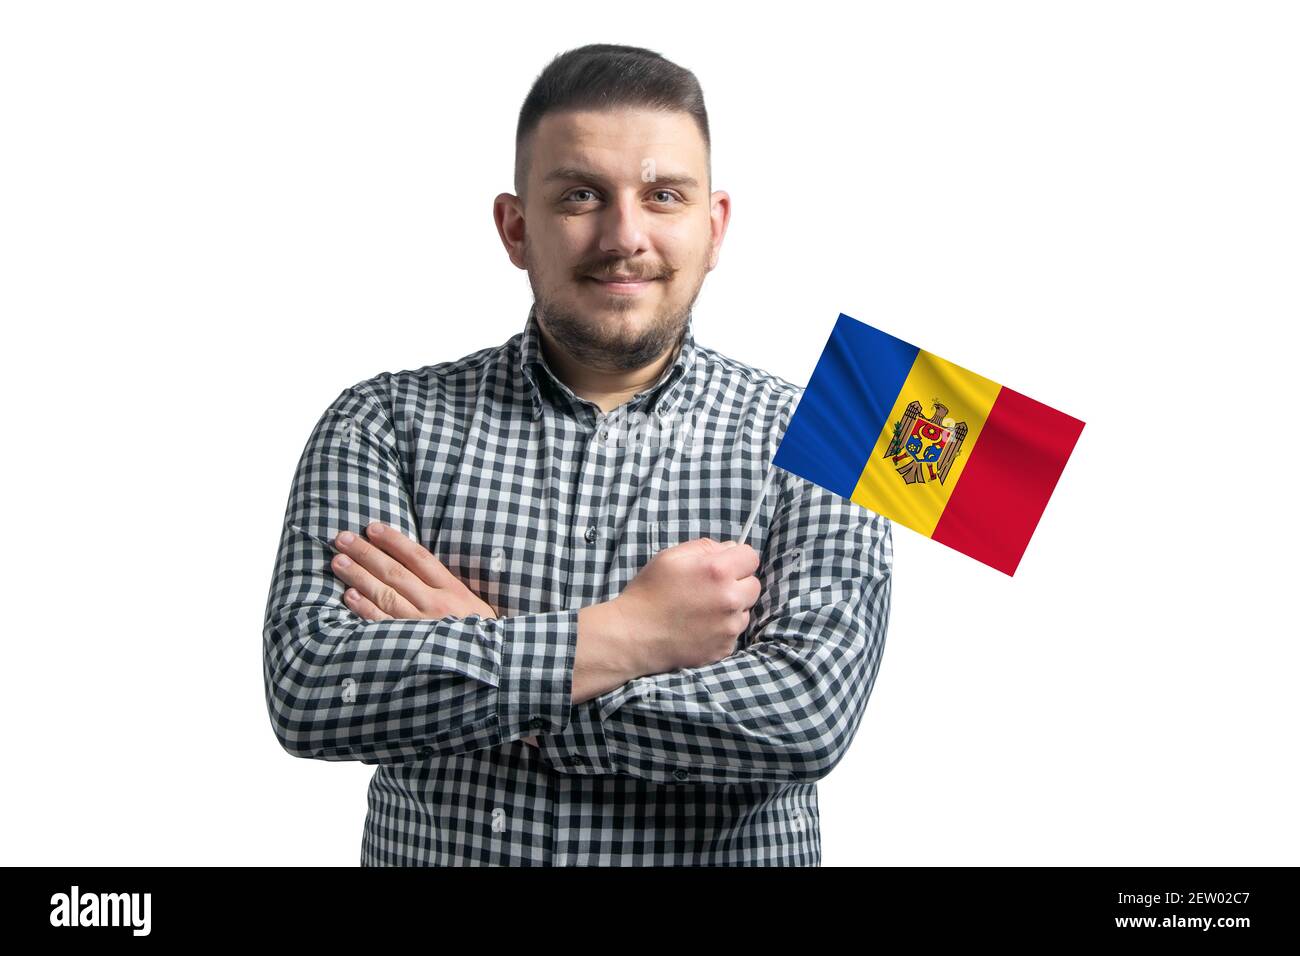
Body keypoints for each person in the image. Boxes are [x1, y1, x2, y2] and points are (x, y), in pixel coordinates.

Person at [262, 42, 893, 866]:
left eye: (663, 195)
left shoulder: (837, 430)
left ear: (714, 227)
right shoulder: (379, 422)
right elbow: (315, 689)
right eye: (582, 195)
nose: (624, 236)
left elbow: (804, 720)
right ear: (516, 227)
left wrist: (493, 656)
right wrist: (628, 633)